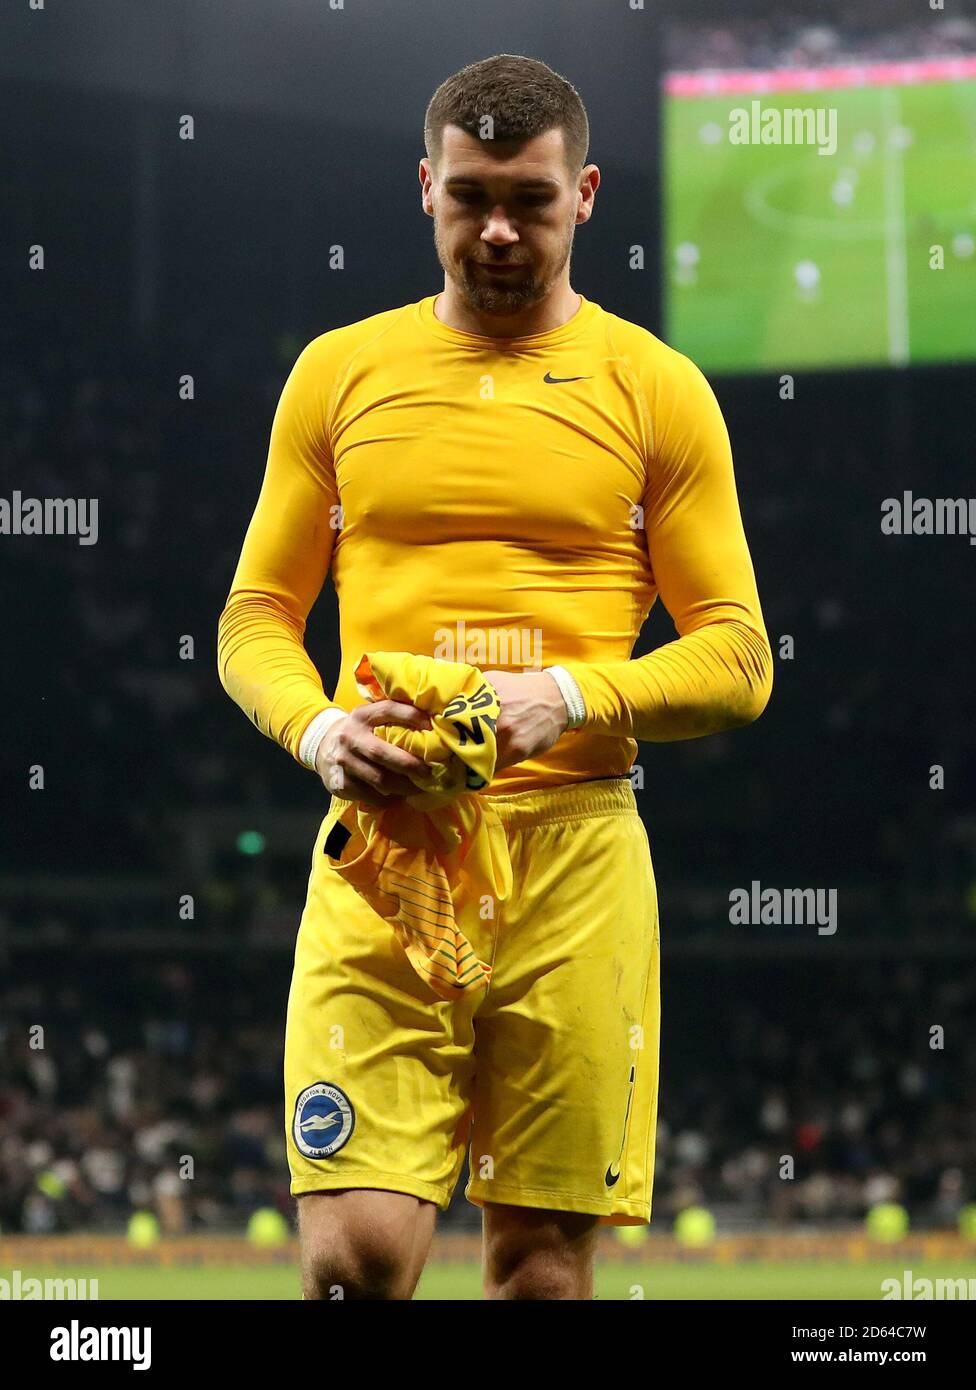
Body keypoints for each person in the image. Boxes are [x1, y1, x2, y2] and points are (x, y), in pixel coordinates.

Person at [217, 52, 772, 1300]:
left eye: (528, 197)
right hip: (389, 844)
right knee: (353, 1270)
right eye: (470, 196)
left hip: (577, 856)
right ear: (425, 188)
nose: (499, 228)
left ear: (585, 195)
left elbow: (739, 656)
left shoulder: (657, 390)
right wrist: (314, 733)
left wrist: (568, 694)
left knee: (539, 1276)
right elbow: (255, 615)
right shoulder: (338, 372)